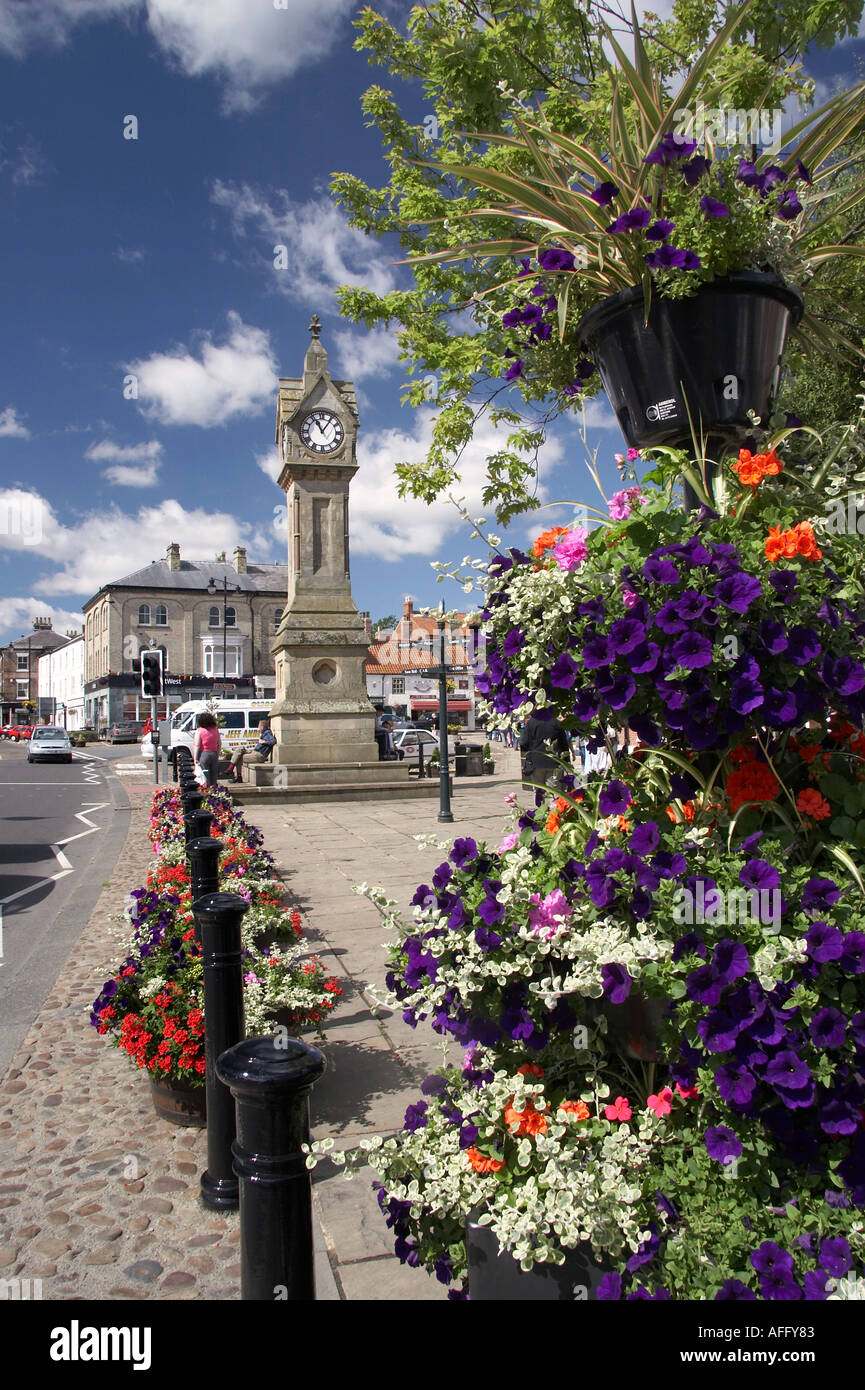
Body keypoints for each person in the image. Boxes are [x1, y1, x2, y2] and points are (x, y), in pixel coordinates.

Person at [519, 713, 570, 791]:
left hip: (536, 762)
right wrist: (566, 761)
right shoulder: (556, 722)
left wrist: (528, 756)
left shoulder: (531, 722)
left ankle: (541, 803)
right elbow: (564, 744)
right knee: (555, 792)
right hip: (554, 761)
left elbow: (524, 743)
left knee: (538, 793)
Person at [230, 720, 277, 784]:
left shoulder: (267, 733)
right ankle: (231, 768)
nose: (258, 727)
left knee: (239, 757)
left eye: (259, 726)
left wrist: (264, 742)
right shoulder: (264, 733)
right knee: (239, 749)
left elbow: (273, 741)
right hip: (255, 752)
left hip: (259, 755)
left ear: (262, 727)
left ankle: (237, 776)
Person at [193, 711, 221, 787]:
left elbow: (197, 745)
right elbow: (219, 743)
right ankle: (214, 789)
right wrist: (217, 754)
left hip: (203, 754)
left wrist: (195, 758)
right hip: (214, 753)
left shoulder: (200, 730)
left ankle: (207, 791)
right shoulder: (215, 729)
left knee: (205, 774)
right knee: (214, 774)